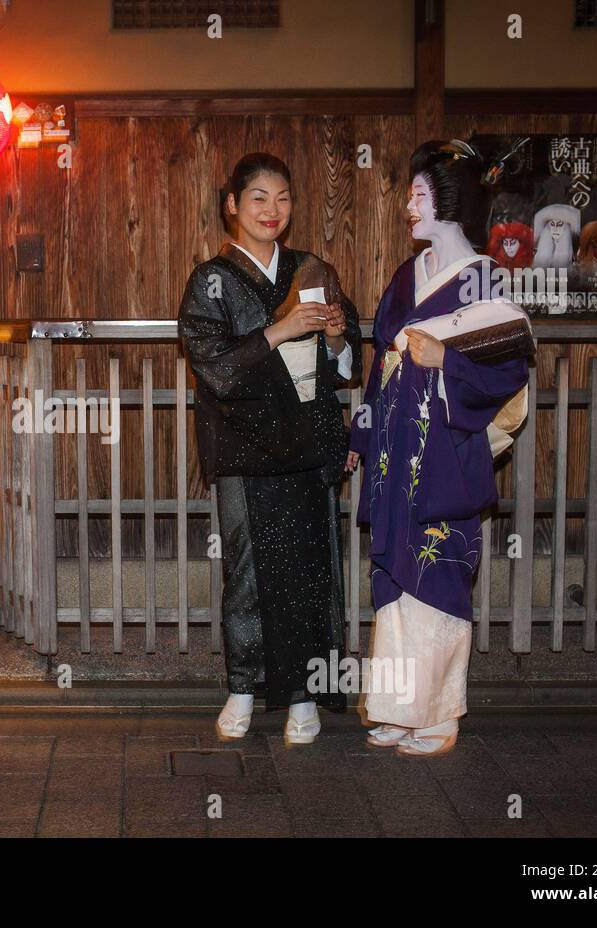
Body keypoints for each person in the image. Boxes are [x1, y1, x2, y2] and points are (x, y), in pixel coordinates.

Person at [347, 140, 529, 757]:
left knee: (439, 573)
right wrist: (362, 434)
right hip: (397, 449)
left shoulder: (485, 280)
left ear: (451, 201)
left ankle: (441, 713)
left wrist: (445, 357)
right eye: (409, 193)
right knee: (394, 577)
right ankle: (399, 708)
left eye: (419, 193)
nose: (408, 205)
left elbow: (508, 371)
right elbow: (379, 366)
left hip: (446, 452)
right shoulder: (407, 276)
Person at [178, 152, 361, 744]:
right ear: (232, 205)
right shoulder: (212, 280)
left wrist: (336, 337)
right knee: (248, 570)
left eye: (282, 198)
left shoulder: (313, 268)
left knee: (310, 572)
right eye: (258, 197)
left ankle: (303, 694)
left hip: (306, 444)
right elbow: (215, 368)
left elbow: (344, 367)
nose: (272, 210)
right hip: (245, 447)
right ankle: (243, 685)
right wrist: (278, 331)